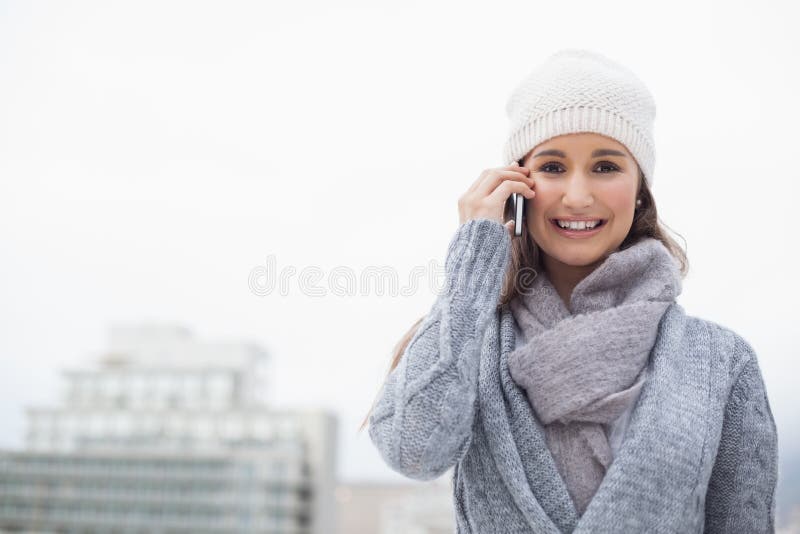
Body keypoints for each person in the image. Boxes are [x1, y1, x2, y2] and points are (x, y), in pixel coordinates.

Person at [358, 48, 778, 533]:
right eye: (553, 167)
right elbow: (412, 451)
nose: (577, 195)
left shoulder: (722, 364)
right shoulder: (471, 341)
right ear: (517, 184)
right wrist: (473, 263)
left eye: (605, 167)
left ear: (640, 186)